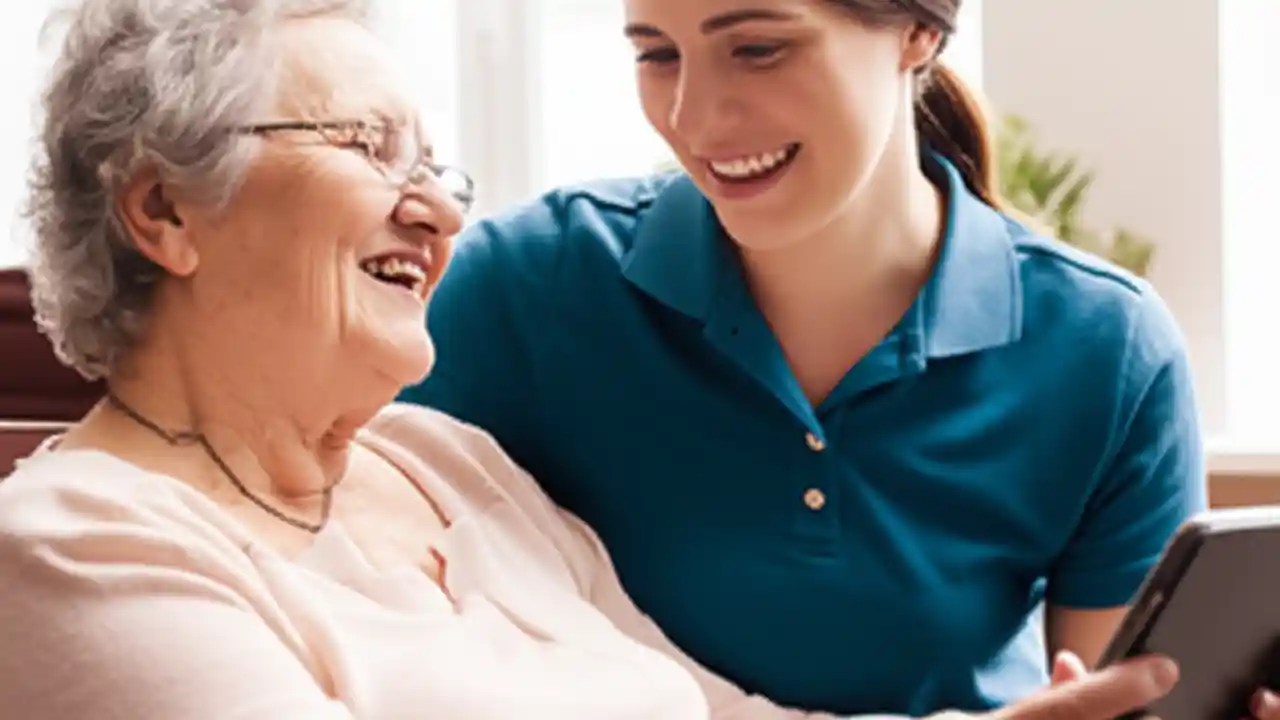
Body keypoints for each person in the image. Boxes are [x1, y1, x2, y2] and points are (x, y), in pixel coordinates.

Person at [402, 0, 1276, 718]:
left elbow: (1121, 702)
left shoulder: (1104, 347)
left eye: (758, 48)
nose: (693, 118)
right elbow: (373, 634)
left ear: (917, 31)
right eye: (658, 55)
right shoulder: (519, 291)